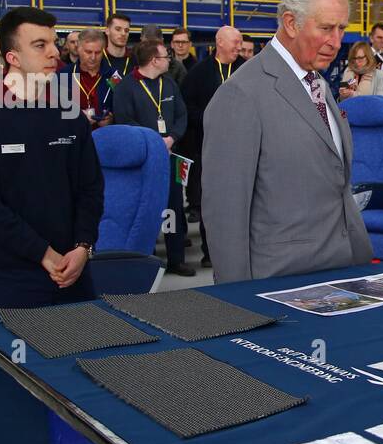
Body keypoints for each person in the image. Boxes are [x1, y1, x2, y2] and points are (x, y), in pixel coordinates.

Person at [203, 0, 372, 281]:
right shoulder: (240, 95)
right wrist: (234, 301)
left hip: (345, 272)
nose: (336, 42)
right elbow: (225, 212)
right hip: (281, 280)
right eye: (325, 28)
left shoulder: (315, 81)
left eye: (341, 29)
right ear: (291, 23)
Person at [0, 7, 103, 309]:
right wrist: (44, 254)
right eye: (40, 45)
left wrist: (83, 247)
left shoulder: (69, 114)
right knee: (21, 356)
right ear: (13, 57)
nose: (54, 53)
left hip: (75, 270)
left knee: (85, 354)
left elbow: (91, 188)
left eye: (54, 42)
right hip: (15, 275)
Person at [112, 39, 193, 276]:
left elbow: (181, 114)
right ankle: (144, 259)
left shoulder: (168, 84)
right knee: (144, 210)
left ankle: (176, 259)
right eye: (165, 56)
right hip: (142, 161)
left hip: (169, 155)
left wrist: (172, 138)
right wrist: (153, 142)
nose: (169, 59)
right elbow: (124, 119)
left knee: (174, 208)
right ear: (154, 60)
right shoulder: (126, 87)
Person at [179, 25, 243, 267]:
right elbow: (187, 107)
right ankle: (210, 252)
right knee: (212, 202)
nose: (239, 46)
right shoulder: (199, 73)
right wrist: (211, 118)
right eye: (235, 42)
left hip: (241, 149)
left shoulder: (244, 69)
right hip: (209, 149)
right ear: (220, 42)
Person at [56, 29, 115, 128]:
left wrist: (112, 119)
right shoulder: (63, 75)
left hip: (105, 136)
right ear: (78, 49)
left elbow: (123, 108)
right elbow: (55, 113)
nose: (93, 57)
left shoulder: (113, 76)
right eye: (88, 52)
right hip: (74, 136)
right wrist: (77, 117)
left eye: (98, 52)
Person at [102, 12, 132, 82]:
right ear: (107, 31)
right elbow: (76, 90)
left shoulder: (137, 60)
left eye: (126, 30)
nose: (123, 33)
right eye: (118, 29)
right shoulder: (96, 58)